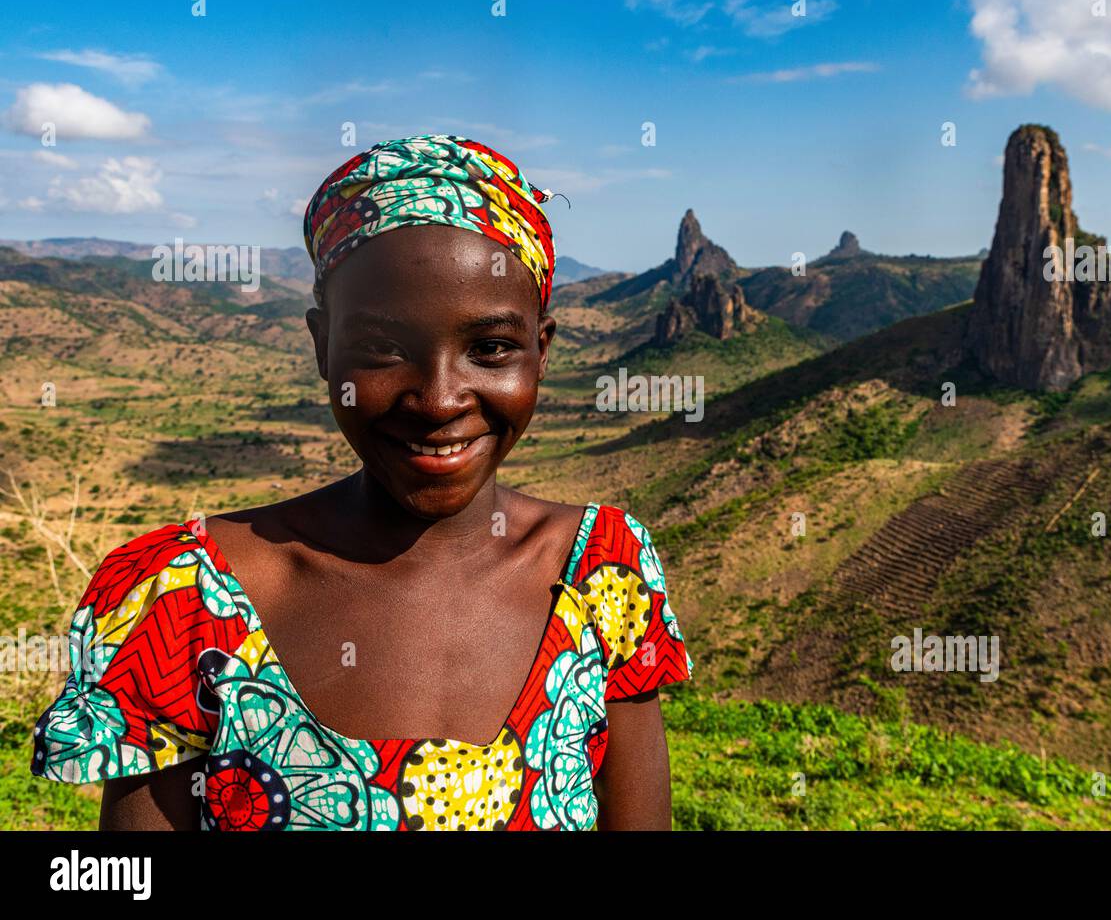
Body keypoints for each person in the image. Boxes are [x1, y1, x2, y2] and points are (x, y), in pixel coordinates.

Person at [30, 134, 692, 831]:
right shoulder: (182, 597)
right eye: (382, 349)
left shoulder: (604, 570)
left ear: (541, 350)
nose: (439, 400)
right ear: (323, 347)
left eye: (491, 348)